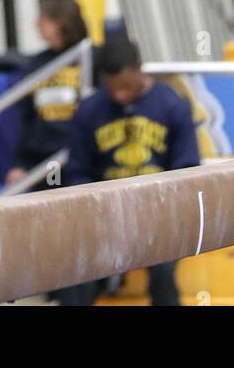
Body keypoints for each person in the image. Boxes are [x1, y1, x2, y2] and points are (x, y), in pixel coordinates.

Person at [59, 37, 199, 306]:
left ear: (138, 71)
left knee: (163, 268)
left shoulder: (173, 106)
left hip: (159, 213)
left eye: (124, 87)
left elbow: (187, 168)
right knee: (74, 270)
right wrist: (94, 206)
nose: (119, 95)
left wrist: (161, 208)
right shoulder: (89, 111)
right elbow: (78, 171)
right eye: (111, 89)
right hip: (105, 213)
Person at [5, 0, 91, 191]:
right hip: (49, 160)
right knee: (54, 202)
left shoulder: (90, 57)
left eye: (41, 20)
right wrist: (21, 163)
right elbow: (26, 118)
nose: (36, 25)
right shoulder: (37, 65)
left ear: (59, 21)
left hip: (83, 156)